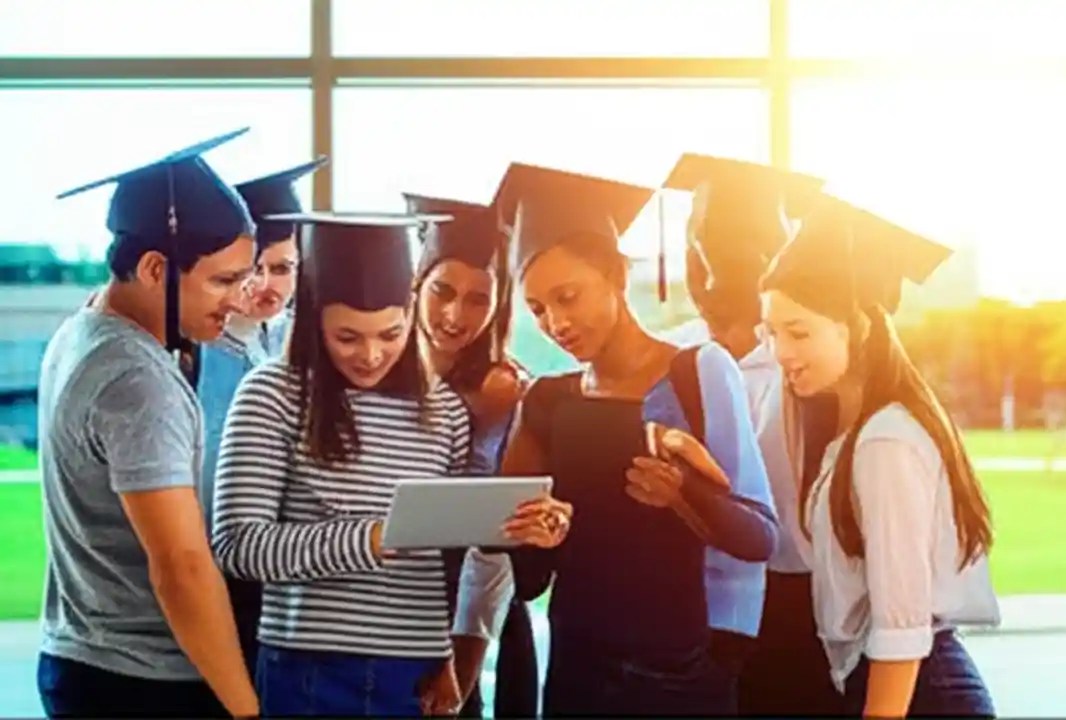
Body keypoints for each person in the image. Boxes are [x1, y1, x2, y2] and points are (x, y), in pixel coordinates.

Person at [493, 162, 778, 716]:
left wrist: (683, 493)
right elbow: (528, 581)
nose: (555, 322)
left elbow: (759, 537)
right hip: (576, 669)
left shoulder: (698, 372)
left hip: (679, 673)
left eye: (568, 296)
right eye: (537, 309)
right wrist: (534, 536)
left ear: (616, 277)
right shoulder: (548, 400)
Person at [37, 128, 260, 718]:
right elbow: (182, 569)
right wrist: (246, 708)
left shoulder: (83, 327)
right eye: (222, 280)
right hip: (145, 682)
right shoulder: (139, 383)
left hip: (83, 658)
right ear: (156, 268)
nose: (239, 299)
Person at [210, 212, 470, 717]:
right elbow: (237, 546)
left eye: (390, 334)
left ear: (411, 310)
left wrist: (442, 653)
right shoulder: (271, 394)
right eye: (347, 337)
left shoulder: (444, 409)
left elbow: (442, 556)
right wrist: (370, 539)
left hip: (411, 673)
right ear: (312, 317)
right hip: (309, 669)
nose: (371, 355)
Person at [758, 193, 1001, 718]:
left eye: (798, 331)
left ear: (861, 326)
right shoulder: (853, 435)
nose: (780, 352)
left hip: (919, 694)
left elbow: (901, 625)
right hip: (895, 687)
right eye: (772, 332)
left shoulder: (885, 441)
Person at [662, 153, 842, 715]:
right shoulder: (669, 357)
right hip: (688, 608)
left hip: (798, 611)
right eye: (697, 248)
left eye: (732, 253)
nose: (710, 274)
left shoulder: (811, 366)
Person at [405, 191, 537, 718]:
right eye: (442, 291)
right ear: (415, 285)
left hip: (466, 616)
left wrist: (463, 662)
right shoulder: (370, 378)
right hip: (381, 609)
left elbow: (494, 544)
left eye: (479, 299)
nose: (455, 315)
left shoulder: (504, 392)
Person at [196, 157, 327, 673]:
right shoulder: (195, 350)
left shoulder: (303, 343)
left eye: (284, 268)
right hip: (213, 563)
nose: (267, 285)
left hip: (286, 572)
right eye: (254, 269)